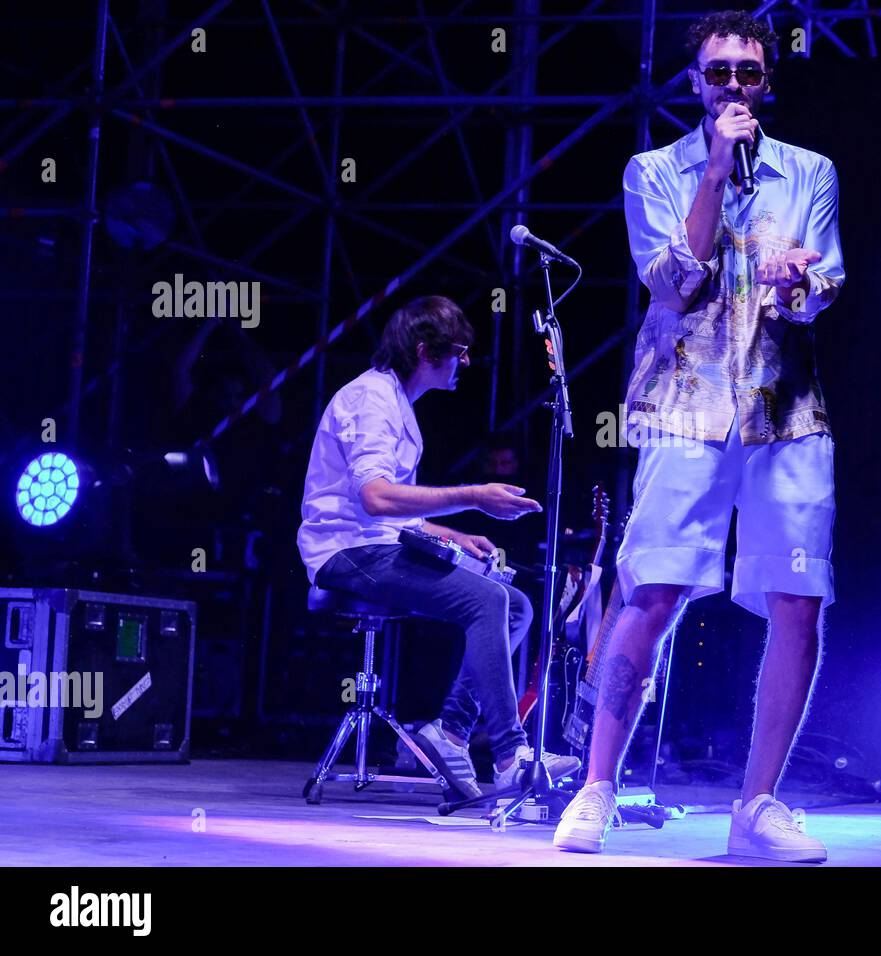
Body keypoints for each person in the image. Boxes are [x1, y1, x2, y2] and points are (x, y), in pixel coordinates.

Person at [553, 10, 844, 861]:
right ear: (694, 83)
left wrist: (800, 283)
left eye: (747, 75)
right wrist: (715, 172)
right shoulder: (654, 170)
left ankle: (758, 805)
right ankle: (596, 785)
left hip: (786, 405)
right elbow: (673, 283)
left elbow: (826, 284)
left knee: (798, 598)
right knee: (651, 593)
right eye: (718, 73)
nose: (732, 88)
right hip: (685, 401)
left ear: (768, 83)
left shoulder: (810, 172)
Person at [297, 295, 579, 798]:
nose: (467, 362)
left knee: (515, 605)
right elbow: (376, 498)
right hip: (343, 554)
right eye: (459, 351)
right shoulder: (371, 401)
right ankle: (512, 754)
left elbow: (392, 512)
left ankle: (449, 732)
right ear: (426, 351)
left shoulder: (398, 403)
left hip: (375, 545)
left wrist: (453, 535)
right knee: (488, 599)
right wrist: (472, 496)